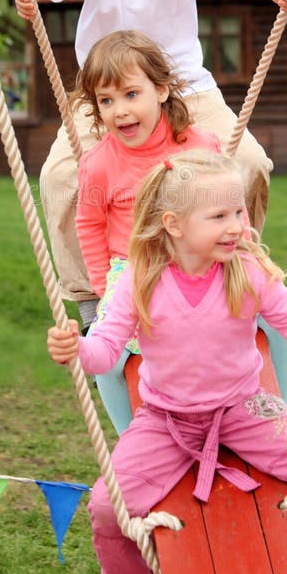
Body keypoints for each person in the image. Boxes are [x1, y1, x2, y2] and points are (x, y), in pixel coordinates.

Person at [47, 150, 287, 574]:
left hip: (243, 408)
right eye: (219, 216)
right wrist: (74, 348)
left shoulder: (247, 270)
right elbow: (103, 353)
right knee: (105, 506)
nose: (237, 225)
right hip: (165, 421)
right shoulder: (140, 280)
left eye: (238, 211)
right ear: (174, 224)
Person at [13, 0, 287, 331]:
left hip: (183, 88)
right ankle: (90, 301)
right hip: (105, 94)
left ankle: (236, 270)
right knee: (60, 177)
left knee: (250, 165)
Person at [73, 29, 222, 433]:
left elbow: (223, 205)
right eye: (106, 100)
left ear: (160, 90)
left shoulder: (196, 146)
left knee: (269, 317)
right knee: (109, 350)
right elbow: (88, 223)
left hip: (197, 262)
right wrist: (104, 289)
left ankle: (283, 401)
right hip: (134, 268)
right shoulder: (100, 164)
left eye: (130, 95)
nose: (119, 111)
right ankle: (128, 435)